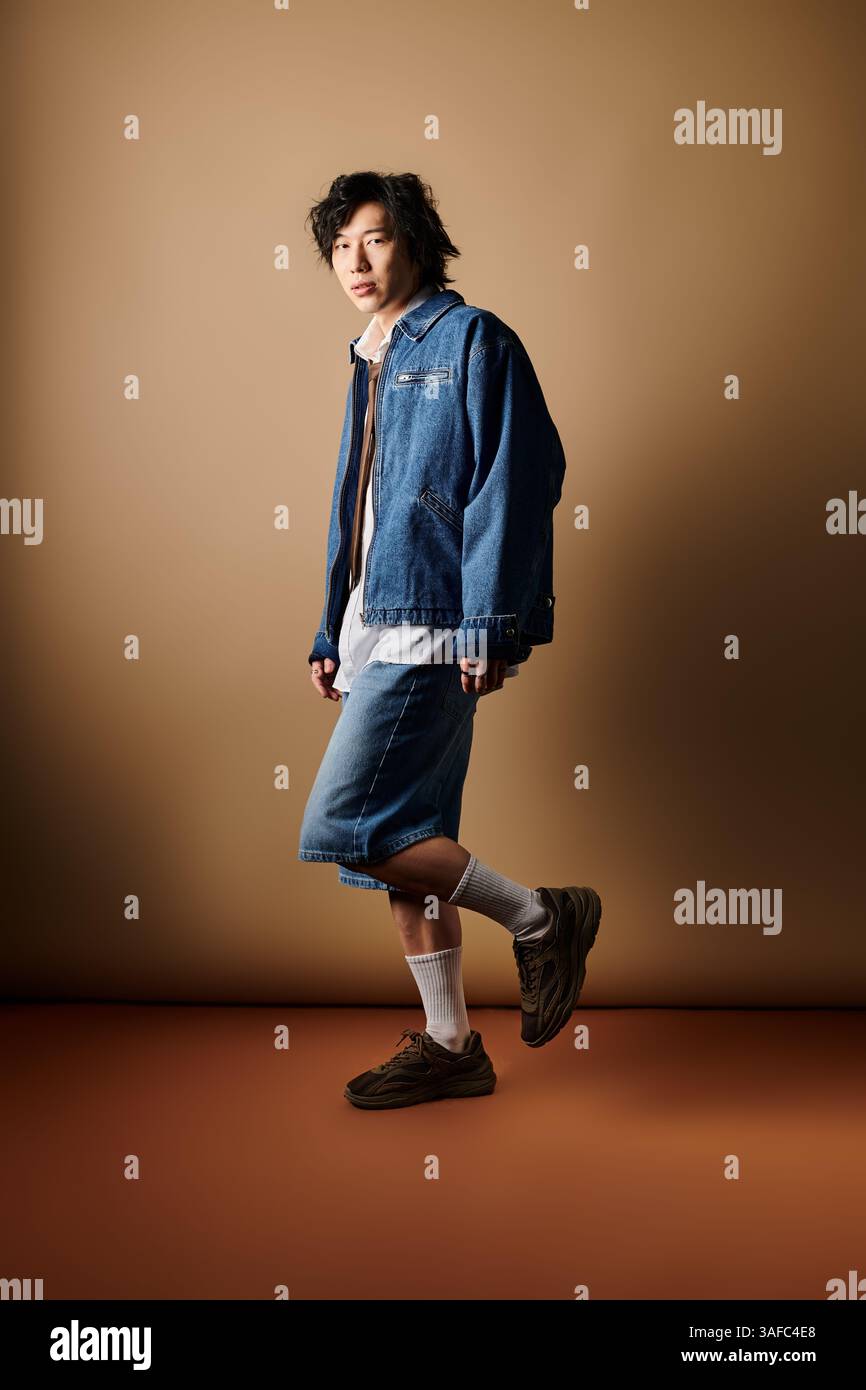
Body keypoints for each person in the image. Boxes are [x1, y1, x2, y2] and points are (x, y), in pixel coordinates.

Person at [298, 170, 602, 1110]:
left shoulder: (473, 339)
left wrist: (487, 619)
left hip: (431, 624)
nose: (356, 260)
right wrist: (329, 625)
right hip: (373, 622)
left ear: (417, 241)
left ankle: (543, 917)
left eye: (376, 239)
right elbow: (360, 507)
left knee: (349, 828)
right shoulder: (369, 354)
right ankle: (451, 1044)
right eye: (341, 245)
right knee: (409, 842)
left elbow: (517, 476)